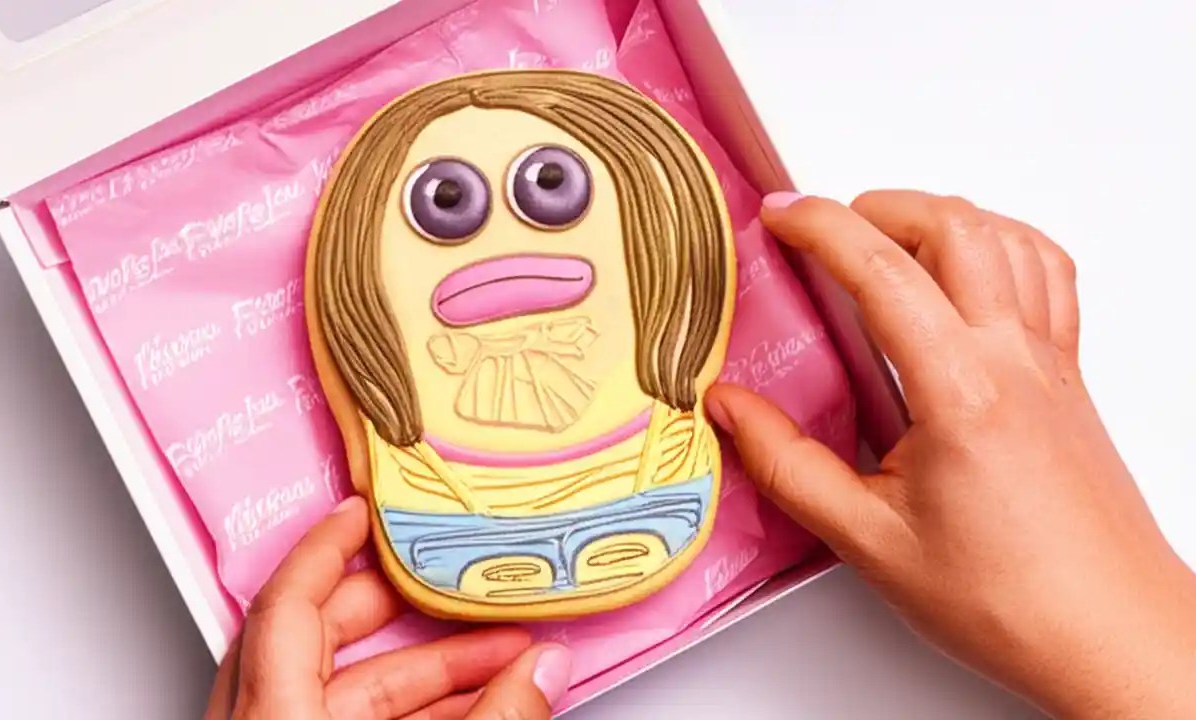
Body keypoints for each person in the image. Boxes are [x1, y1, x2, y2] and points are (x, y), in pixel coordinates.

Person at [205, 190, 1196, 719]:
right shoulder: (405, 415)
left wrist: (1141, 648)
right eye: (451, 206)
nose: (504, 239)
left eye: (549, 190)